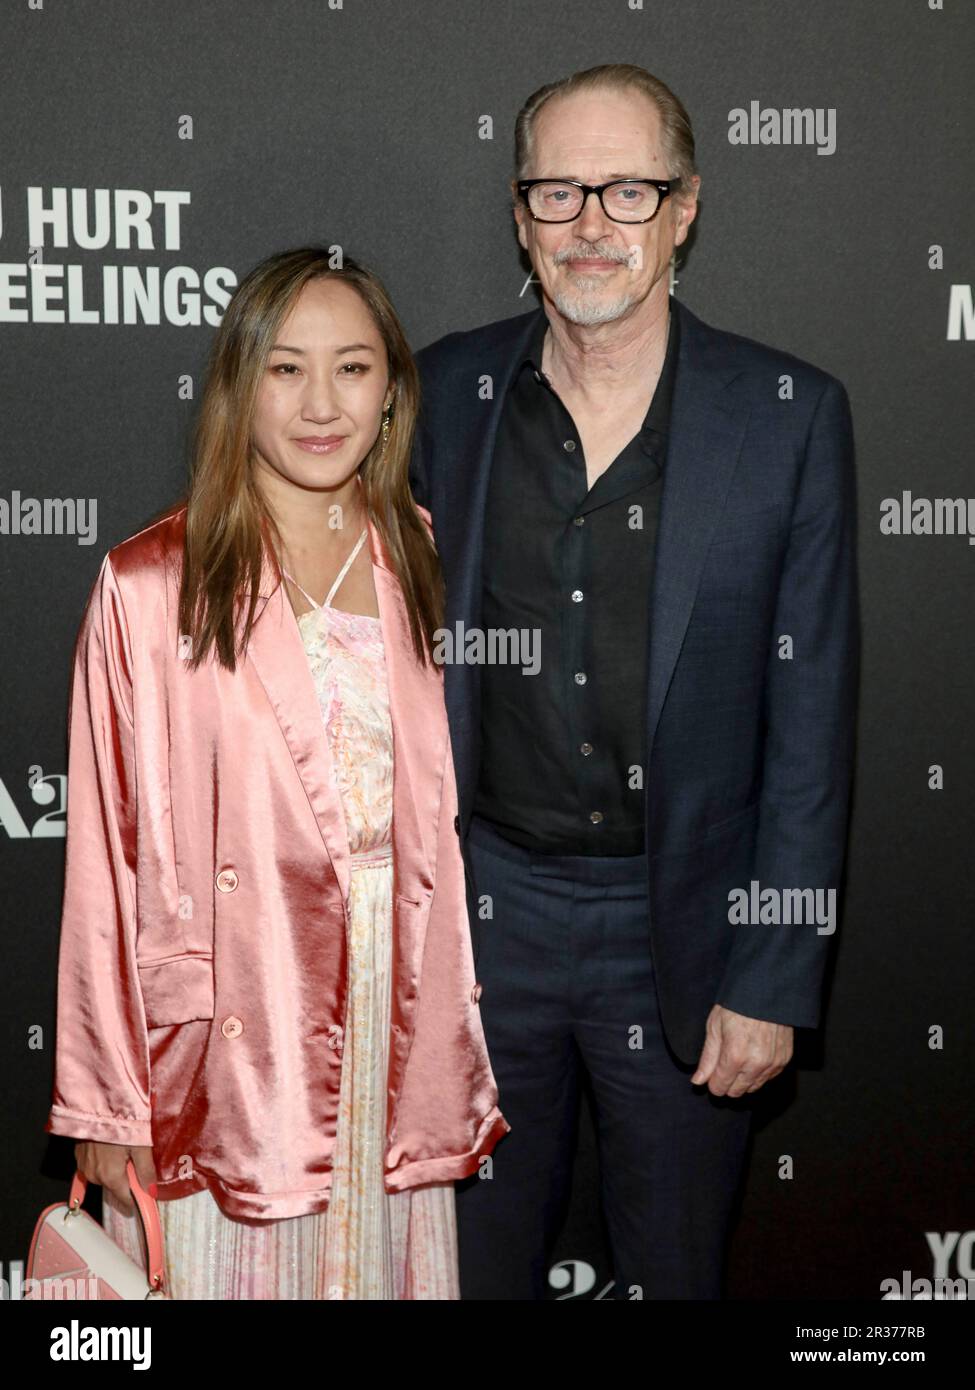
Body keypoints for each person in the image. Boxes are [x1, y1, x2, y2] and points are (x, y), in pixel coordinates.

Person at [409, 63, 859, 1299]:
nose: (591, 224)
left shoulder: (788, 416)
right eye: (558, 191)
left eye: (627, 188)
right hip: (480, 916)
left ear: (686, 207)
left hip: (685, 932)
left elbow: (811, 722)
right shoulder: (443, 393)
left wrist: (772, 976)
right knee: (473, 1274)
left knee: (674, 1272)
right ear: (518, 215)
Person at [45, 246, 509, 1300]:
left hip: (398, 1006)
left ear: (392, 392)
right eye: (286, 367)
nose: (319, 403)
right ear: (238, 383)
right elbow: (104, 868)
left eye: (352, 368)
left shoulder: (419, 555)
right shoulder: (153, 582)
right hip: (237, 1023)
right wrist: (108, 1104)